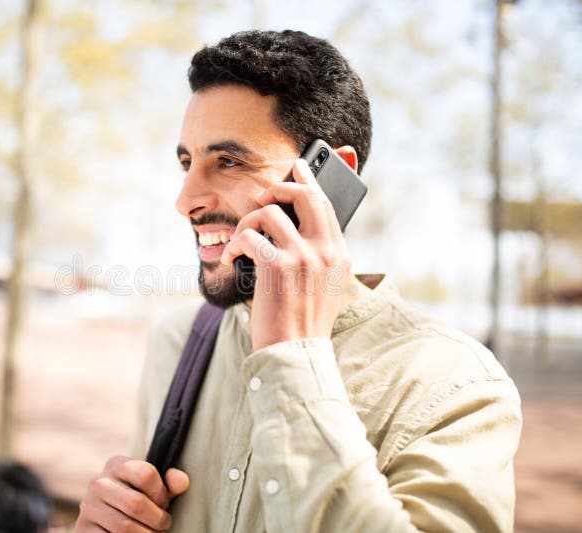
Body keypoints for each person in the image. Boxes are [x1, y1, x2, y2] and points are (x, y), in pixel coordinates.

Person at [74, 30, 522, 532]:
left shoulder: (455, 385)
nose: (186, 200)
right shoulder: (177, 341)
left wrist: (294, 359)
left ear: (329, 179)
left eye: (228, 161)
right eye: (187, 163)